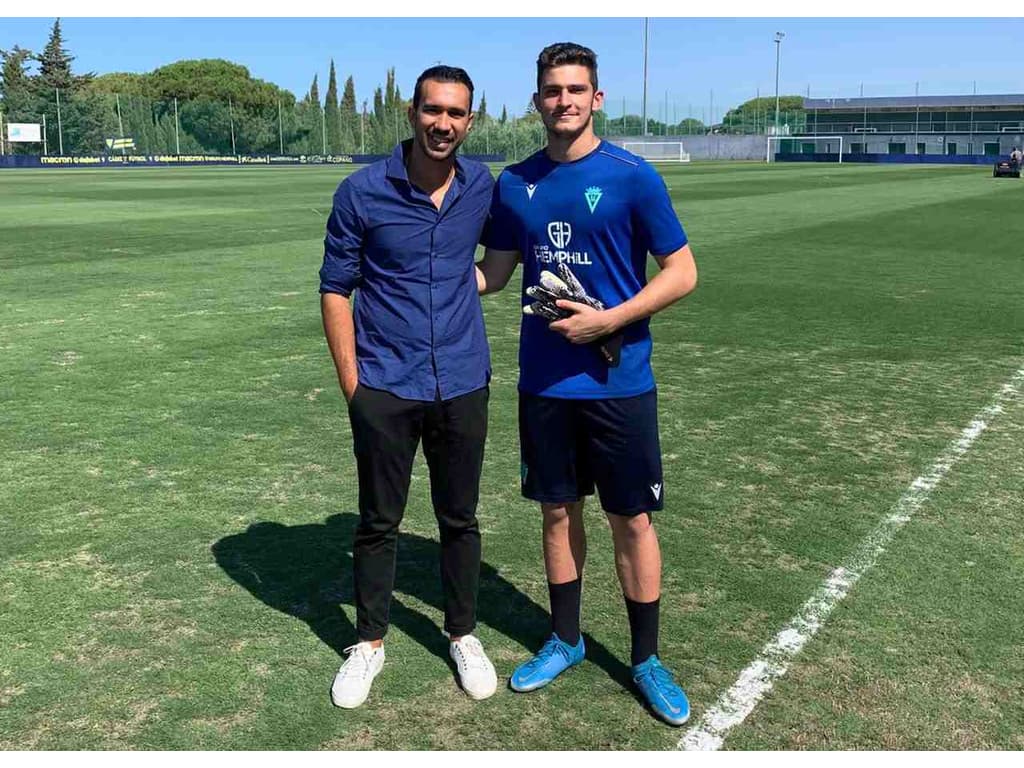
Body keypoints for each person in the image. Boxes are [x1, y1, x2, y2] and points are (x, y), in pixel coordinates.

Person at [476, 42, 698, 726]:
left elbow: (682, 271)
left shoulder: (634, 176)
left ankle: (646, 659)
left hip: (619, 384)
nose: (564, 101)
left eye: (576, 89)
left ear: (596, 98)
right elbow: (495, 272)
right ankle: (566, 640)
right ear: (537, 100)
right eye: (552, 90)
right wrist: (412, 281)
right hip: (545, 386)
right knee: (555, 512)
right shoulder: (514, 183)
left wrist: (610, 320)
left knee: (630, 519)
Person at [319, 65, 498, 709]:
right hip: (386, 384)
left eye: (455, 113)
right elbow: (335, 287)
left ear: (469, 120)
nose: (442, 124)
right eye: (432, 110)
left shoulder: (482, 186)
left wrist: (459, 286)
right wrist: (353, 386)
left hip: (461, 379)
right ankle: (368, 643)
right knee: (378, 521)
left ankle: (462, 634)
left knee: (460, 518)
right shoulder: (362, 192)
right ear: (412, 111)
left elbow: (496, 266)